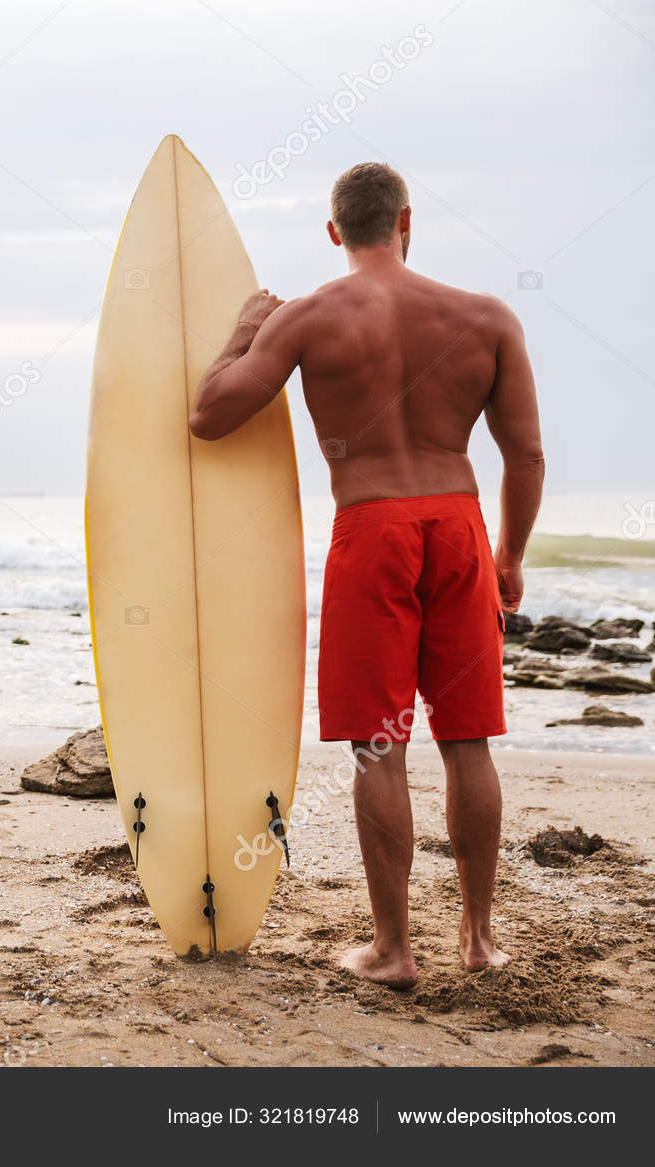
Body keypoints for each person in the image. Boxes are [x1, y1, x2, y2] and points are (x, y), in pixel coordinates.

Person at [189, 161, 544, 987]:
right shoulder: (486, 317)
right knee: (469, 740)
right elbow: (524, 453)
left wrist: (243, 331)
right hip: (458, 527)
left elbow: (208, 416)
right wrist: (509, 555)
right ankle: (481, 937)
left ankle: (392, 950)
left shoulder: (311, 317)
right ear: (407, 221)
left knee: (379, 747)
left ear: (333, 231)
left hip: (373, 526)